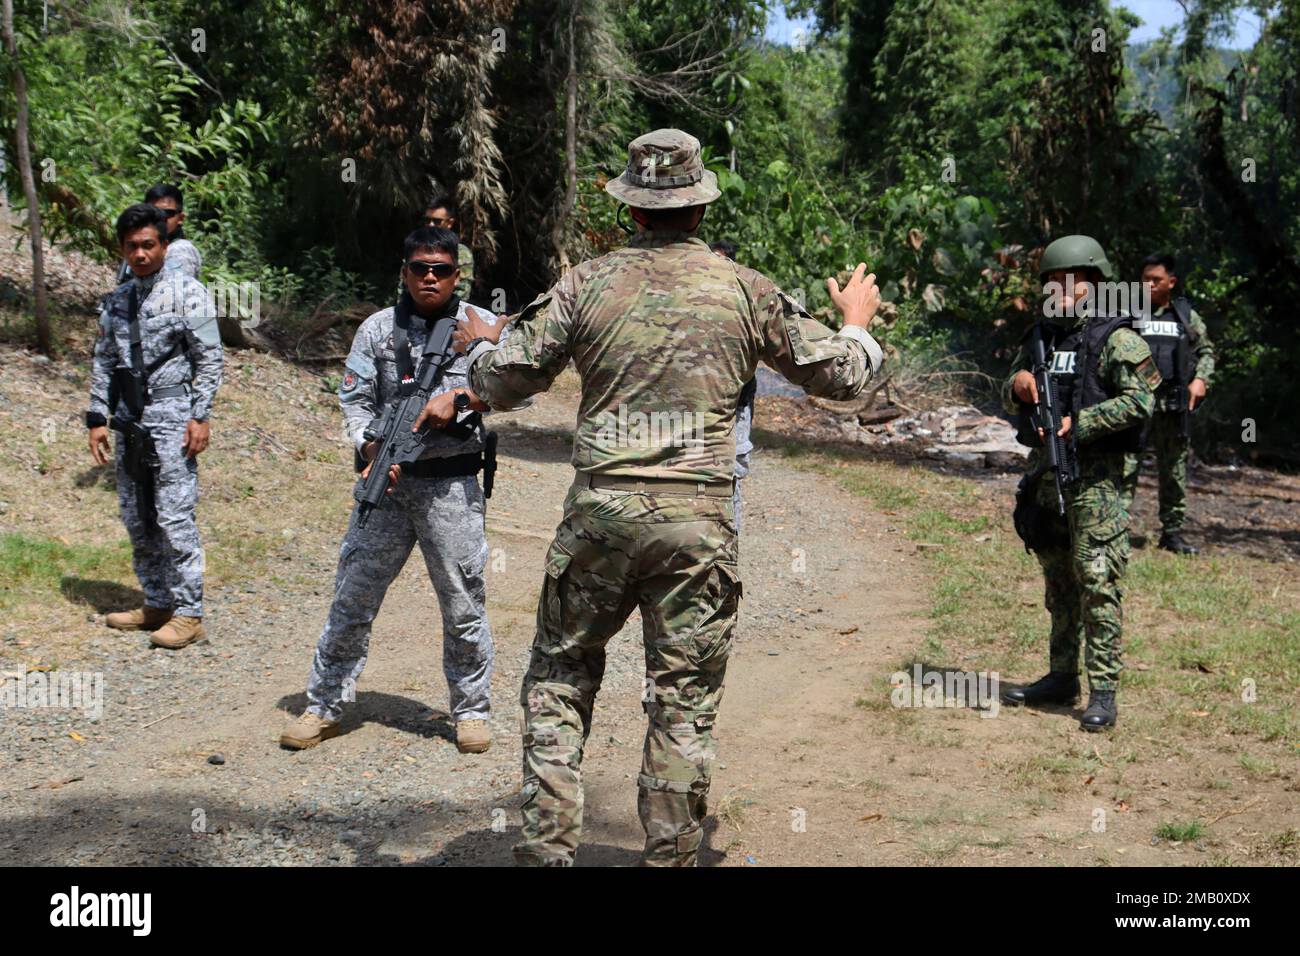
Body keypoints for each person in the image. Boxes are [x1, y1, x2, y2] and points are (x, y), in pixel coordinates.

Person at [421, 129, 885, 865]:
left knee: (559, 681)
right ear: (698, 208)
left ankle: (546, 850)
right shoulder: (745, 289)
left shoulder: (586, 284)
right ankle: (668, 856)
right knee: (683, 703)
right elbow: (844, 383)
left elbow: (503, 379)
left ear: (633, 210)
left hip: (600, 517)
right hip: (696, 526)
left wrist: (470, 371)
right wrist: (857, 327)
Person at [280, 227, 499, 755]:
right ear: (404, 272)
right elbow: (354, 402)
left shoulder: (482, 327)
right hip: (389, 487)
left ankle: (470, 711)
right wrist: (370, 446)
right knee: (353, 597)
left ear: (456, 275)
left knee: (463, 604)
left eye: (441, 269)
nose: (430, 277)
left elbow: (513, 390)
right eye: (420, 267)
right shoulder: (378, 330)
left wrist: (462, 403)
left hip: (451, 487)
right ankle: (324, 703)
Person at [1000, 235, 1160, 731]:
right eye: (1053, 282)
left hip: (1095, 482)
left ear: (1094, 283)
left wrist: (1081, 423)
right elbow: (1008, 394)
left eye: (1071, 281)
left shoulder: (1118, 339)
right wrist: (1019, 386)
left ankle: (1104, 692)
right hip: (1048, 475)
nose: (1061, 290)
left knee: (1097, 582)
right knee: (1059, 582)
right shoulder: (1040, 337)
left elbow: (1142, 401)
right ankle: (1062, 676)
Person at [86, 203, 222, 649]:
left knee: (175, 516)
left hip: (173, 419)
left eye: (149, 244)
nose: (141, 254)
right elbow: (104, 361)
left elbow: (210, 358)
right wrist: (96, 418)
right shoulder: (117, 302)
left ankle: (189, 612)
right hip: (129, 422)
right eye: (132, 247)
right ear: (122, 249)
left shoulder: (191, 293)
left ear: (164, 244)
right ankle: (157, 601)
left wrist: (200, 415)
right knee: (138, 516)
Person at [1124, 253, 1215, 554]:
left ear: (1171, 282)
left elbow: (1206, 351)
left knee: (1174, 470)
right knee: (1125, 465)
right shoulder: (1129, 314)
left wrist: (1200, 380)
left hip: (1173, 405)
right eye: (1145, 279)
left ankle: (1172, 533)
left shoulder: (1185, 315)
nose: (1149, 285)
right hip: (1134, 403)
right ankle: (1117, 526)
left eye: (1156, 280)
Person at [709, 239, 756, 533]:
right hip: (706, 403)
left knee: (732, 474)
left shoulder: (746, 296)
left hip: (738, 403)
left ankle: (730, 537)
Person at [115, 184, 202, 283]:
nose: (160, 217)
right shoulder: (136, 244)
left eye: (167, 213)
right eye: (153, 212)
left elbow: (173, 288)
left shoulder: (181, 250)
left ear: (180, 218)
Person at [422, 194, 476, 303]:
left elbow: (462, 293)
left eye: (437, 221)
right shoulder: (416, 250)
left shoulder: (461, 253)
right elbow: (404, 287)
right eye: (427, 220)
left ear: (450, 223)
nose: (431, 225)